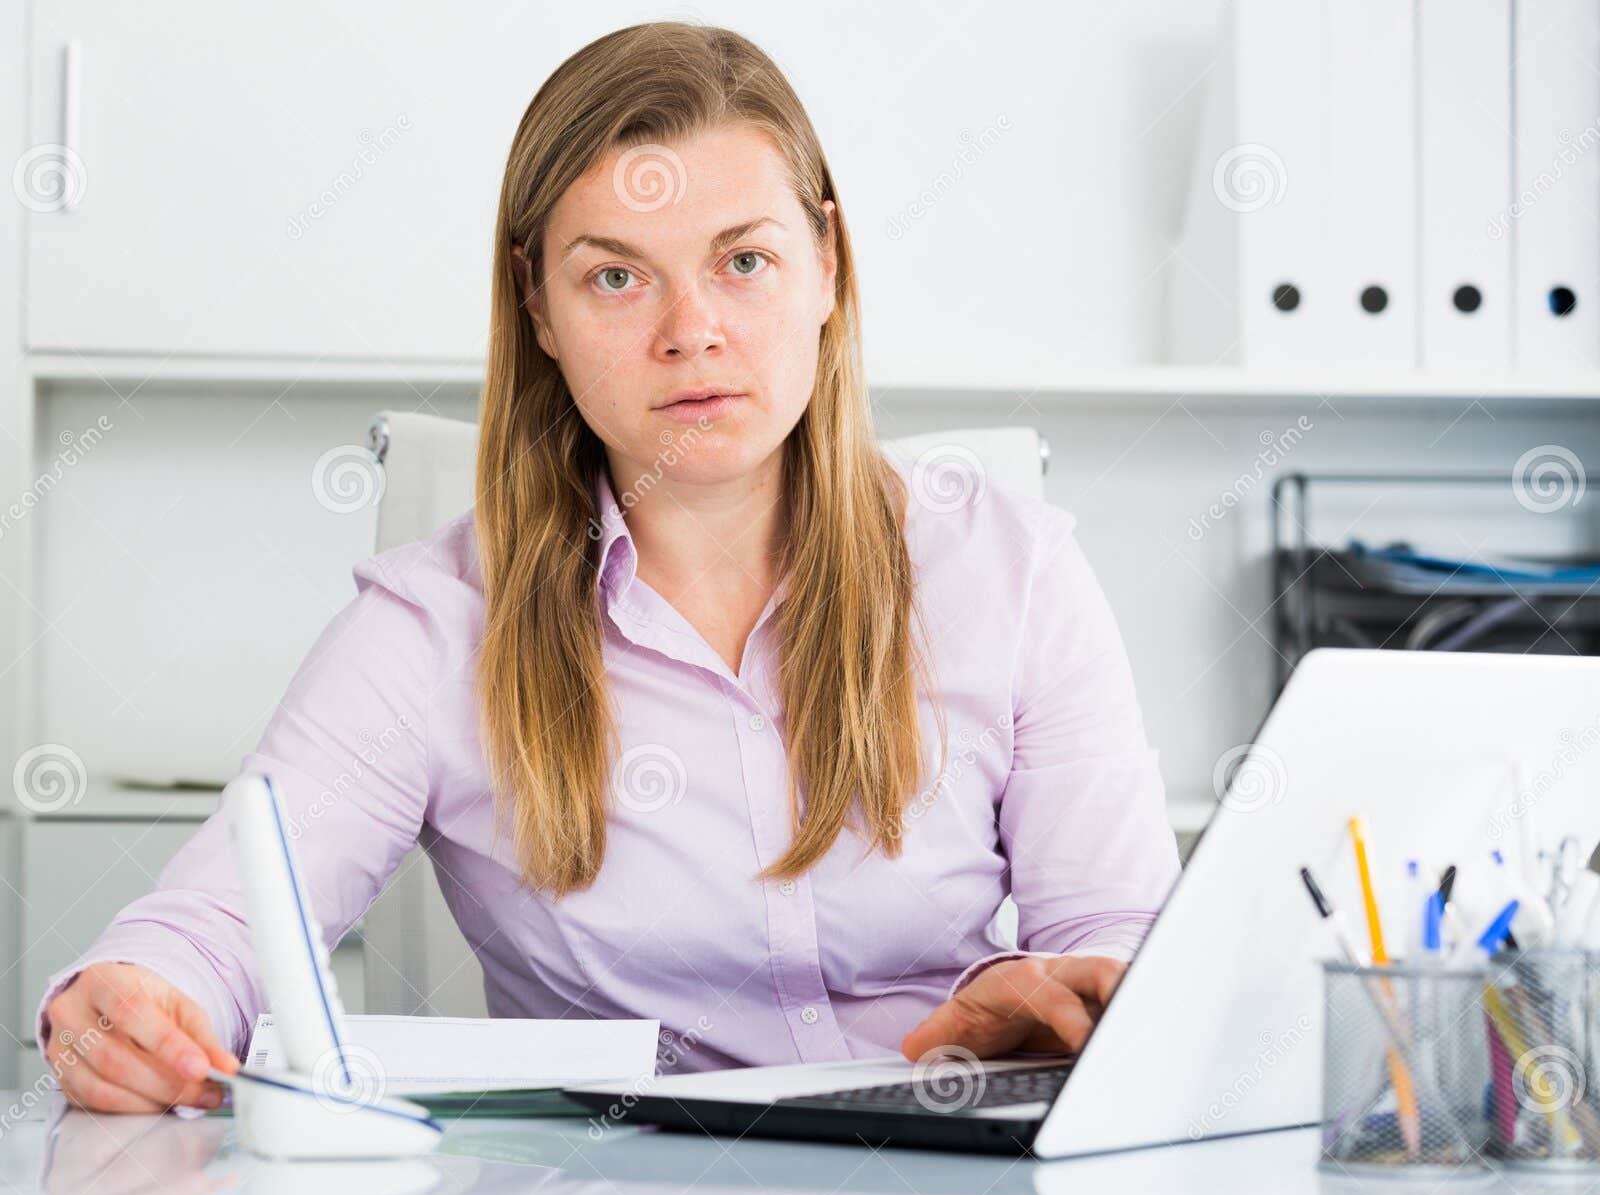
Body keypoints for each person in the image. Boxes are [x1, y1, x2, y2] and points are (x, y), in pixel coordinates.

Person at [38, 21, 1180, 1114]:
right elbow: (215, 931)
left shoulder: (1014, 572)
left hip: (958, 1194)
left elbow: (1119, 938)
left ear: (826, 267)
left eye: (743, 260)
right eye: (617, 278)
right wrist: (129, 1007)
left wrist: (1076, 997)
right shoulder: (433, 630)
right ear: (536, 302)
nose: (691, 331)